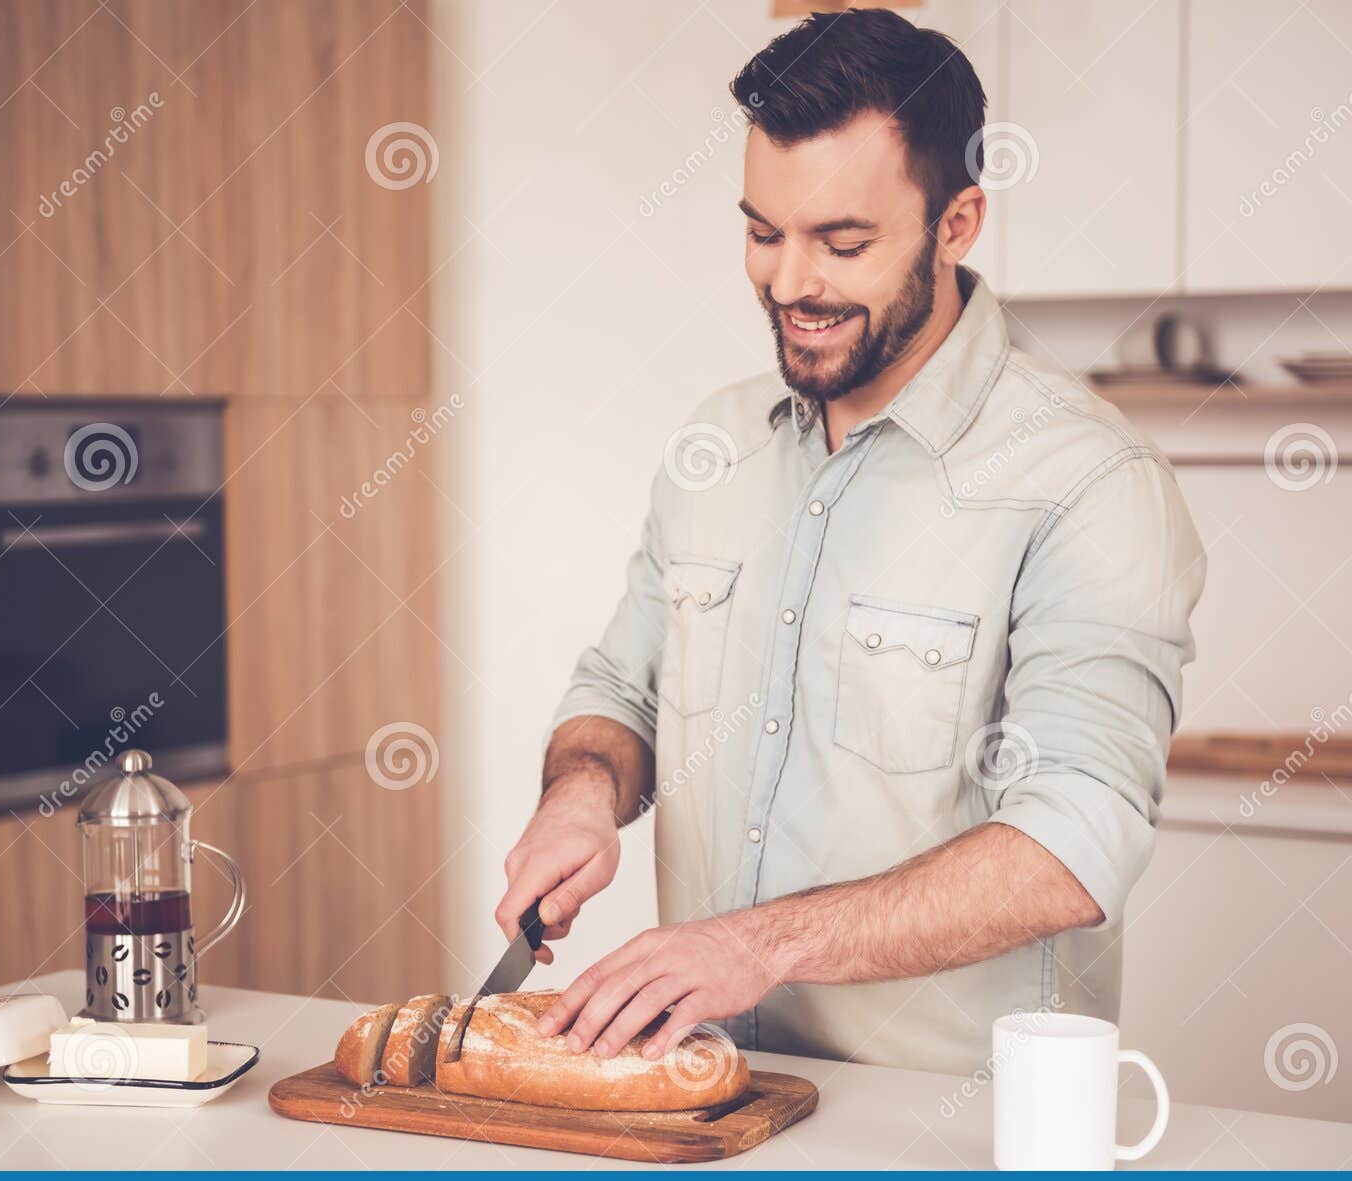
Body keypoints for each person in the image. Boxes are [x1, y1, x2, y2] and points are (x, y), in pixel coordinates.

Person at [494, 8, 1206, 1076]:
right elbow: (621, 689)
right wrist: (580, 800)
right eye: (763, 233)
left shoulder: (1089, 479)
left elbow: (1074, 839)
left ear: (957, 223)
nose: (790, 283)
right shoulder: (718, 443)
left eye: (843, 243)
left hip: (948, 1130)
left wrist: (758, 946)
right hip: (705, 1099)